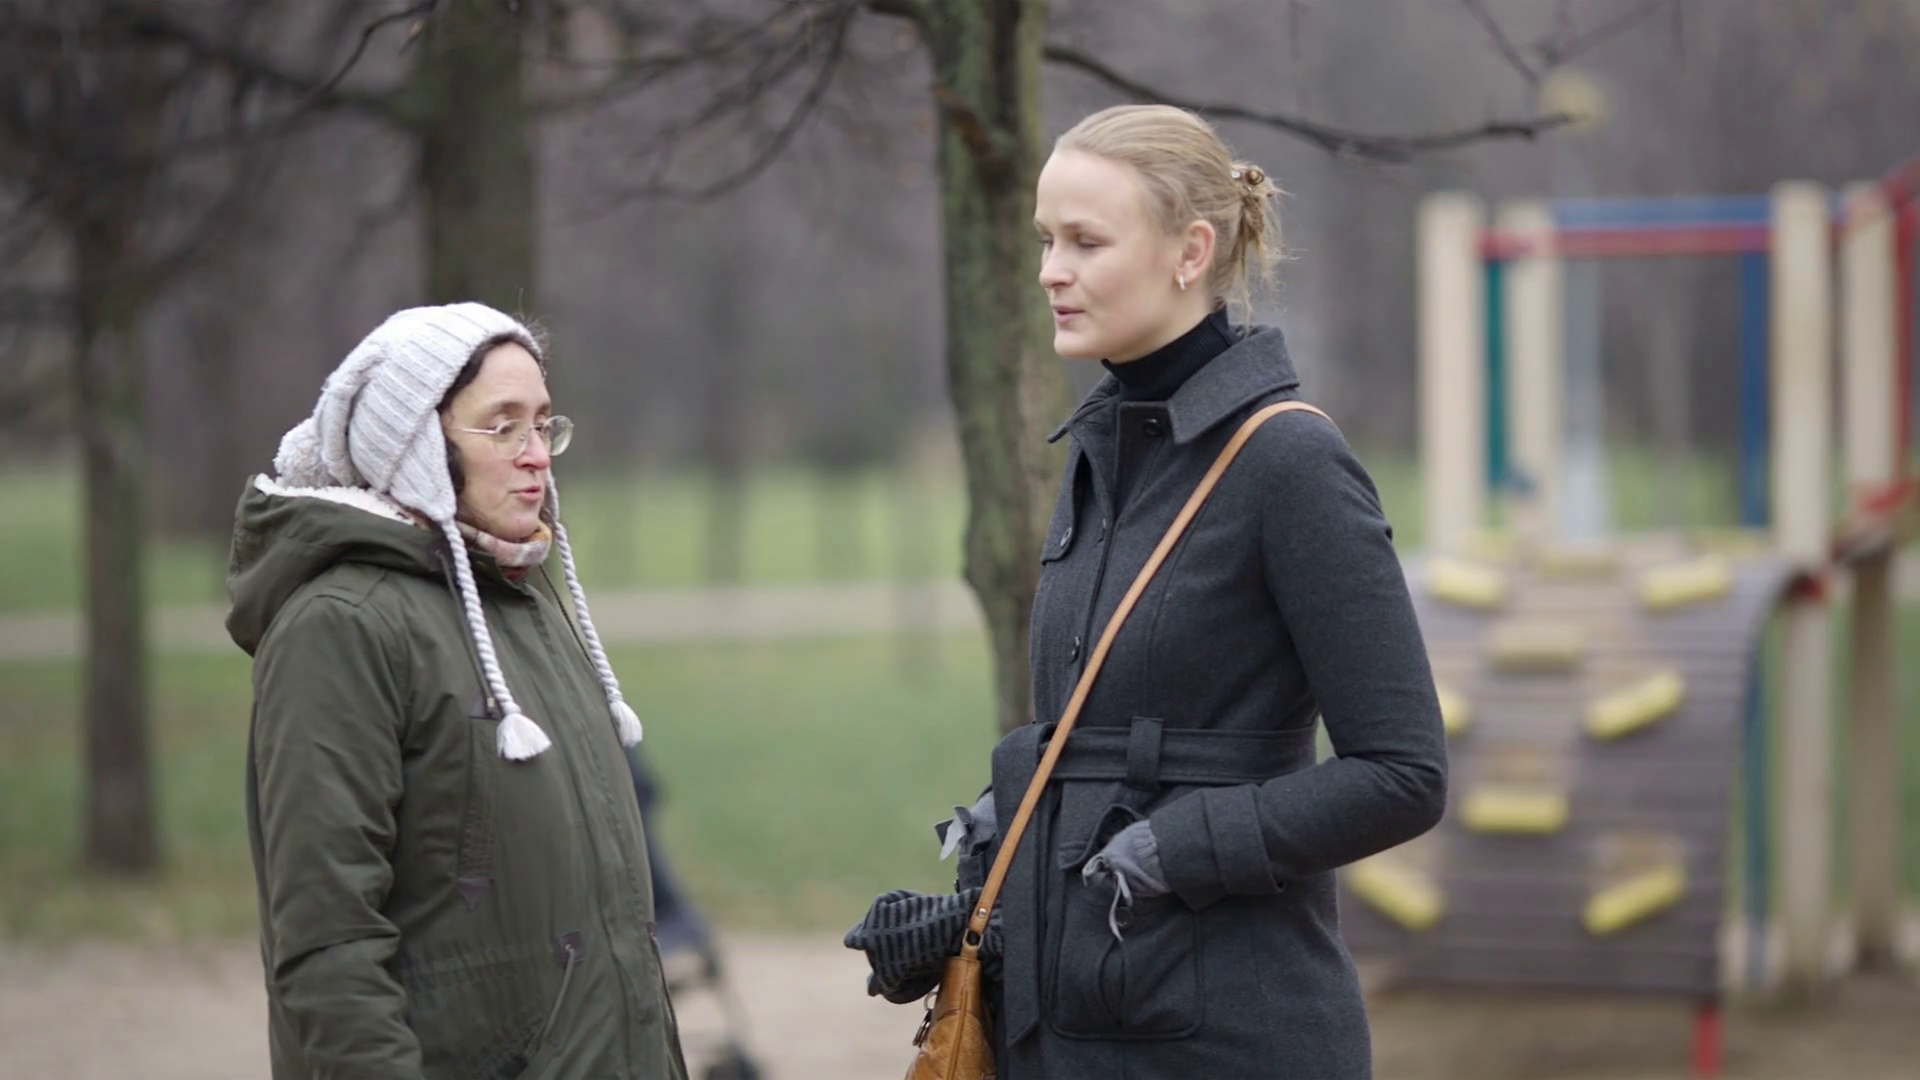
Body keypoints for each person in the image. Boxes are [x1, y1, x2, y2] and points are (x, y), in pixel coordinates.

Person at [847, 104, 1449, 1078]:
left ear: (1190, 252)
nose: (1051, 270)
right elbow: (1105, 765)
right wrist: (976, 916)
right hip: (1074, 1037)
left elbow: (1403, 774)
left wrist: (1181, 848)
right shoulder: (1101, 453)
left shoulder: (1290, 464)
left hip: (1229, 1045)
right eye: (1046, 240)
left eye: (1086, 242)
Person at [227, 302, 688, 1080]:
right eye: (502, 427)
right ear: (411, 444)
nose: (536, 455)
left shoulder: (523, 602)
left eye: (543, 425)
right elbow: (329, 946)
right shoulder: (340, 627)